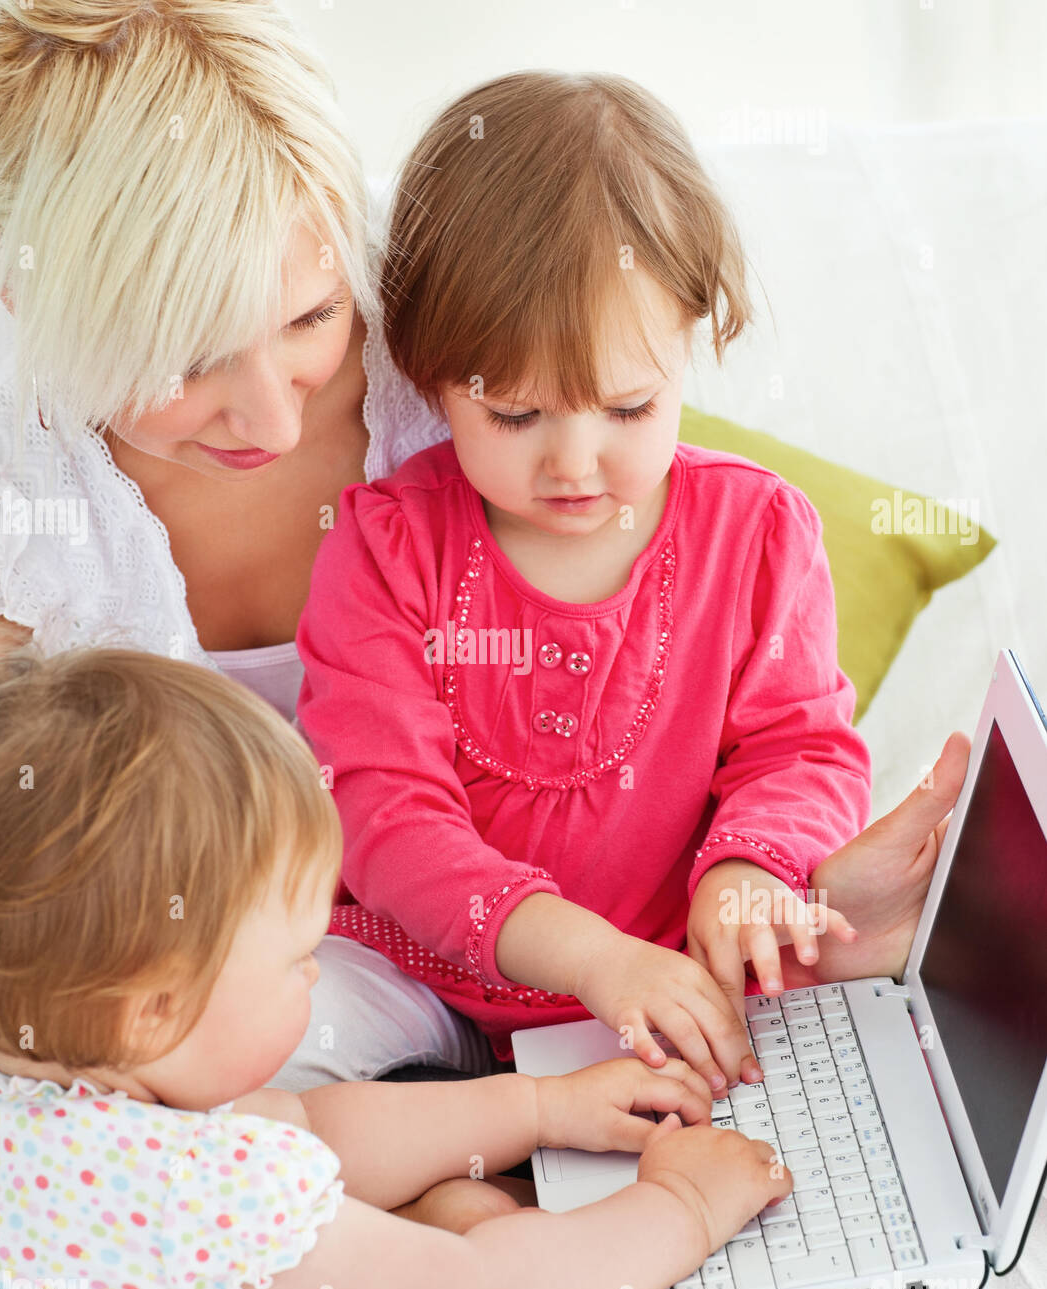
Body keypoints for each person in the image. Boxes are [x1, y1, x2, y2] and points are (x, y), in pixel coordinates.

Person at [0, 0, 972, 1198]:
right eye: (185, 359)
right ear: (9, 270)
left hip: (647, 961)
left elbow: (778, 731)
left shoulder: (490, 329)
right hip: (353, 975)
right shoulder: (358, 529)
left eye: (313, 318)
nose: (276, 418)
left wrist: (771, 881)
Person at [293, 71, 873, 1093]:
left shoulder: (756, 531)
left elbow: (801, 748)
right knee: (272, 1051)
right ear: (430, 377)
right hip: (421, 981)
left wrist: (744, 874)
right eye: (516, 416)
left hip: (670, 980)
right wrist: (588, 958)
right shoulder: (384, 548)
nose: (573, 463)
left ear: (693, 339)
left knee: (866, 986)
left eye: (626, 407)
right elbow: (387, 819)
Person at [0, 644, 789, 1289]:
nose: (313, 975)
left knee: (462, 1204)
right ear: (154, 1011)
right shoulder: (198, 1195)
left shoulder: (1, 1087)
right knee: (481, 1230)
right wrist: (685, 1205)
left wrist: (538, 1107)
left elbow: (306, 1125)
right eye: (298, 960)